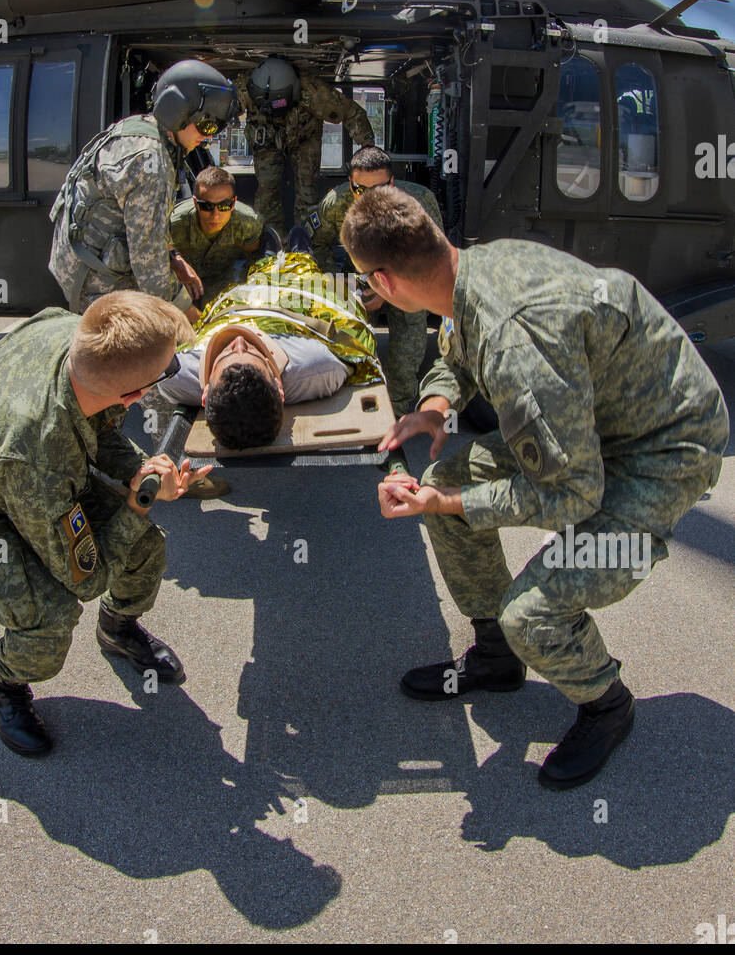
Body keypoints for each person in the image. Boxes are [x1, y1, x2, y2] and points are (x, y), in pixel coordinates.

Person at [340, 186, 729, 790]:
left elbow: (573, 495)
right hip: (596, 421)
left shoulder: (516, 344)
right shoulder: (471, 269)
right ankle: (498, 658)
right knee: (443, 480)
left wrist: (448, 503)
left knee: (533, 614)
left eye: (366, 283)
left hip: (661, 452)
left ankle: (606, 704)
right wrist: (435, 406)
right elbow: (459, 354)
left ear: (385, 283)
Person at [0, 292, 212, 758]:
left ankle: (118, 629)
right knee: (47, 618)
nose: (172, 373)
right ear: (135, 394)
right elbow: (86, 579)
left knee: (143, 547)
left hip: (1, 452)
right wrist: (136, 504)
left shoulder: (81, 334)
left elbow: (99, 428)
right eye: (168, 370)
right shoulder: (39, 458)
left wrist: (141, 473)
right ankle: (4, 684)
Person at [49, 59, 238, 315]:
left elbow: (147, 224)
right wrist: (188, 314)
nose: (208, 136)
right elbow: (149, 264)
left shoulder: (140, 129)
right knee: (164, 330)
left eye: (215, 127)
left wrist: (174, 257)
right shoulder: (152, 162)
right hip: (94, 284)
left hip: (82, 264)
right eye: (206, 124)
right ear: (177, 112)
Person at [155, 252, 383, 450]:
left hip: (246, 295)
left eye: (226, 353)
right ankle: (299, 248)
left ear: (204, 395)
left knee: (264, 266)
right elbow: (355, 339)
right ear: (280, 387)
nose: (239, 340)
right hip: (296, 299)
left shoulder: (174, 375)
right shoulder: (317, 367)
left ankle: (270, 252)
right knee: (303, 267)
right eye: (254, 352)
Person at [304, 145, 444, 417]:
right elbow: (316, 243)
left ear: (391, 183)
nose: (368, 198)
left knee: (407, 347)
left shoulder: (419, 201)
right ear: (350, 185)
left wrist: (390, 290)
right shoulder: (337, 203)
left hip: (407, 282)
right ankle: (349, 405)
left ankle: (397, 412)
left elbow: (433, 257)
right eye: (360, 190)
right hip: (360, 277)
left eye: (378, 189)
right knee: (344, 341)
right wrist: (336, 283)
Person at [234, 57, 374, 236]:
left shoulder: (313, 92)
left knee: (307, 193)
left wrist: (368, 150)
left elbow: (352, 113)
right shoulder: (245, 88)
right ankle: (270, 239)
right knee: (266, 191)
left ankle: (305, 239)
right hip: (266, 140)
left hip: (305, 138)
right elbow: (221, 108)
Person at [168, 166, 264, 315]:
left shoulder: (248, 223)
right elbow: (155, 265)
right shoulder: (172, 225)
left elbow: (254, 262)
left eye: (224, 206)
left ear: (233, 203)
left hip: (220, 280)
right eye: (207, 206)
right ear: (195, 203)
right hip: (179, 284)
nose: (215, 215)